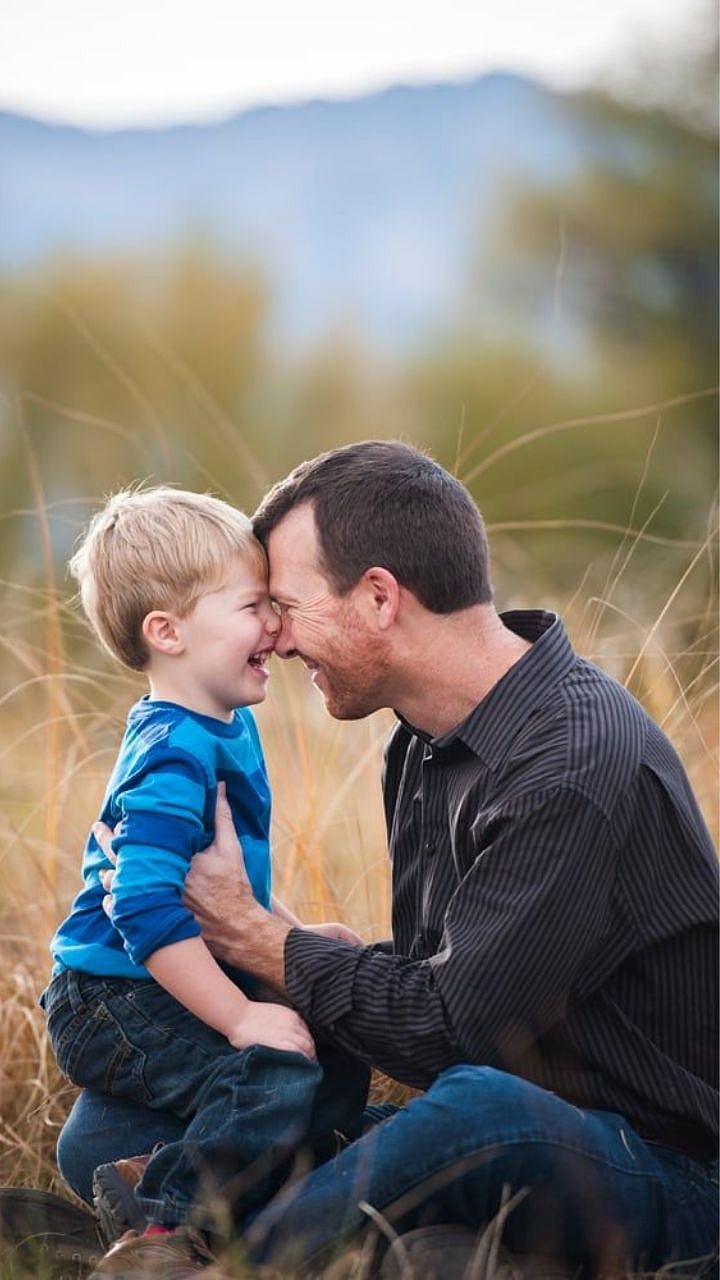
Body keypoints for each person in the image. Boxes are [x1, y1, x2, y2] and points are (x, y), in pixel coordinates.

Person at [57, 444, 718, 1277]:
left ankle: (221, 1265)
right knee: (107, 1139)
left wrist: (262, 941)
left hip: (659, 1165)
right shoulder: (423, 747)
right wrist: (308, 953)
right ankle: (418, 1249)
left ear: (377, 597)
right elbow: (441, 982)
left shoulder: (574, 764)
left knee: (475, 1114)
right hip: (503, 1110)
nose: (280, 639)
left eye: (287, 605)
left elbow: (451, 1033)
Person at [40, 487, 369, 1277]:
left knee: (336, 1040)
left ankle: (255, 1183)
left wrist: (289, 939)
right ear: (168, 631)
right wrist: (239, 1018)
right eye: (252, 606)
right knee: (271, 1065)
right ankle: (165, 1231)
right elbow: (146, 907)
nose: (275, 626)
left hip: (163, 972)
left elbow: (220, 885)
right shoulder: (170, 752)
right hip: (113, 997)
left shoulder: (225, 723)